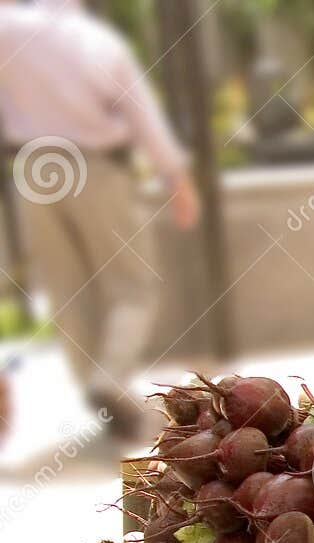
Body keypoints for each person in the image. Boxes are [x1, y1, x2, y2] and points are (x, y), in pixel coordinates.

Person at [0, 0, 199, 443]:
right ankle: (107, 381)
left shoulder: (8, 29)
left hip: (32, 168)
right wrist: (176, 177)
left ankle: (98, 390)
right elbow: (141, 111)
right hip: (96, 169)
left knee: (67, 287)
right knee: (134, 283)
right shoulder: (99, 42)